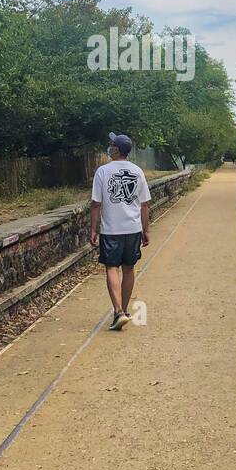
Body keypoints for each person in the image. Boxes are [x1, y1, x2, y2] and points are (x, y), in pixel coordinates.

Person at [90, 132, 151, 330]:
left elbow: (95, 204)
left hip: (111, 229)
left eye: (111, 145)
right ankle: (124, 310)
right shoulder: (137, 171)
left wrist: (93, 229)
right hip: (132, 228)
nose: (109, 147)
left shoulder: (103, 172)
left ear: (116, 149)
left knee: (111, 267)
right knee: (129, 268)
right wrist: (145, 229)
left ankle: (117, 311)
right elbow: (144, 205)